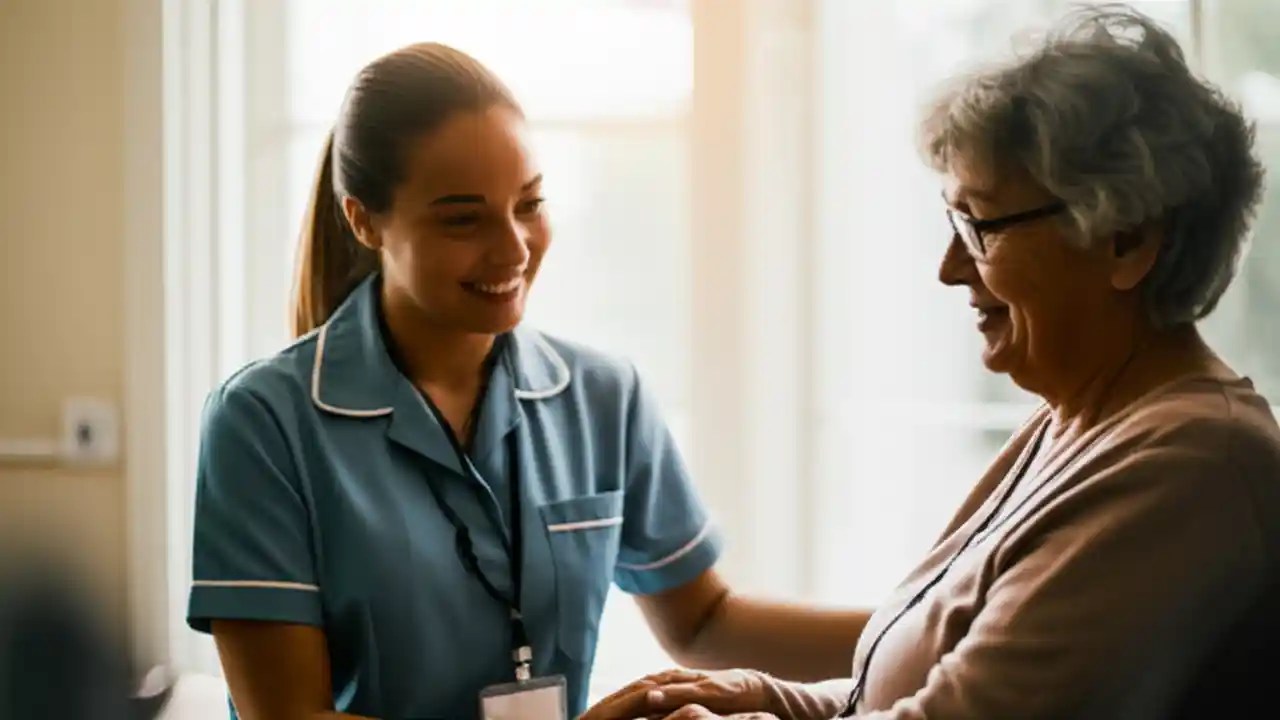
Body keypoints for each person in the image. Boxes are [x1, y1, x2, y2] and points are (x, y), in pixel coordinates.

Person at [584, 5, 1280, 719]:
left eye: (980, 226)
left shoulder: (1196, 462)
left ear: (1127, 242)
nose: (950, 269)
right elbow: (922, 683)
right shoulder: (1075, 424)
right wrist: (771, 697)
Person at [185, 43, 865, 720]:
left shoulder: (604, 396)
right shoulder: (262, 421)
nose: (513, 248)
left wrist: (937, 625)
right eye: (463, 218)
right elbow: (288, 715)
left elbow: (704, 621)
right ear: (363, 219)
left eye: (530, 204)